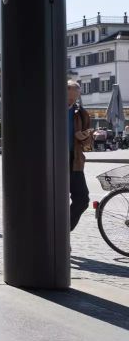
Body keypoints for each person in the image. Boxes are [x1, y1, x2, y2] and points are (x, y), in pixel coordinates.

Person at [68, 81, 92, 231]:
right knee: (53, 201)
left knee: (82, 199)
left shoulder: (81, 113)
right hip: (51, 161)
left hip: (74, 160)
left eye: (74, 99)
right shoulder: (49, 110)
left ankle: (62, 233)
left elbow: (89, 145)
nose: (72, 102)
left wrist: (84, 137)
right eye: (69, 98)